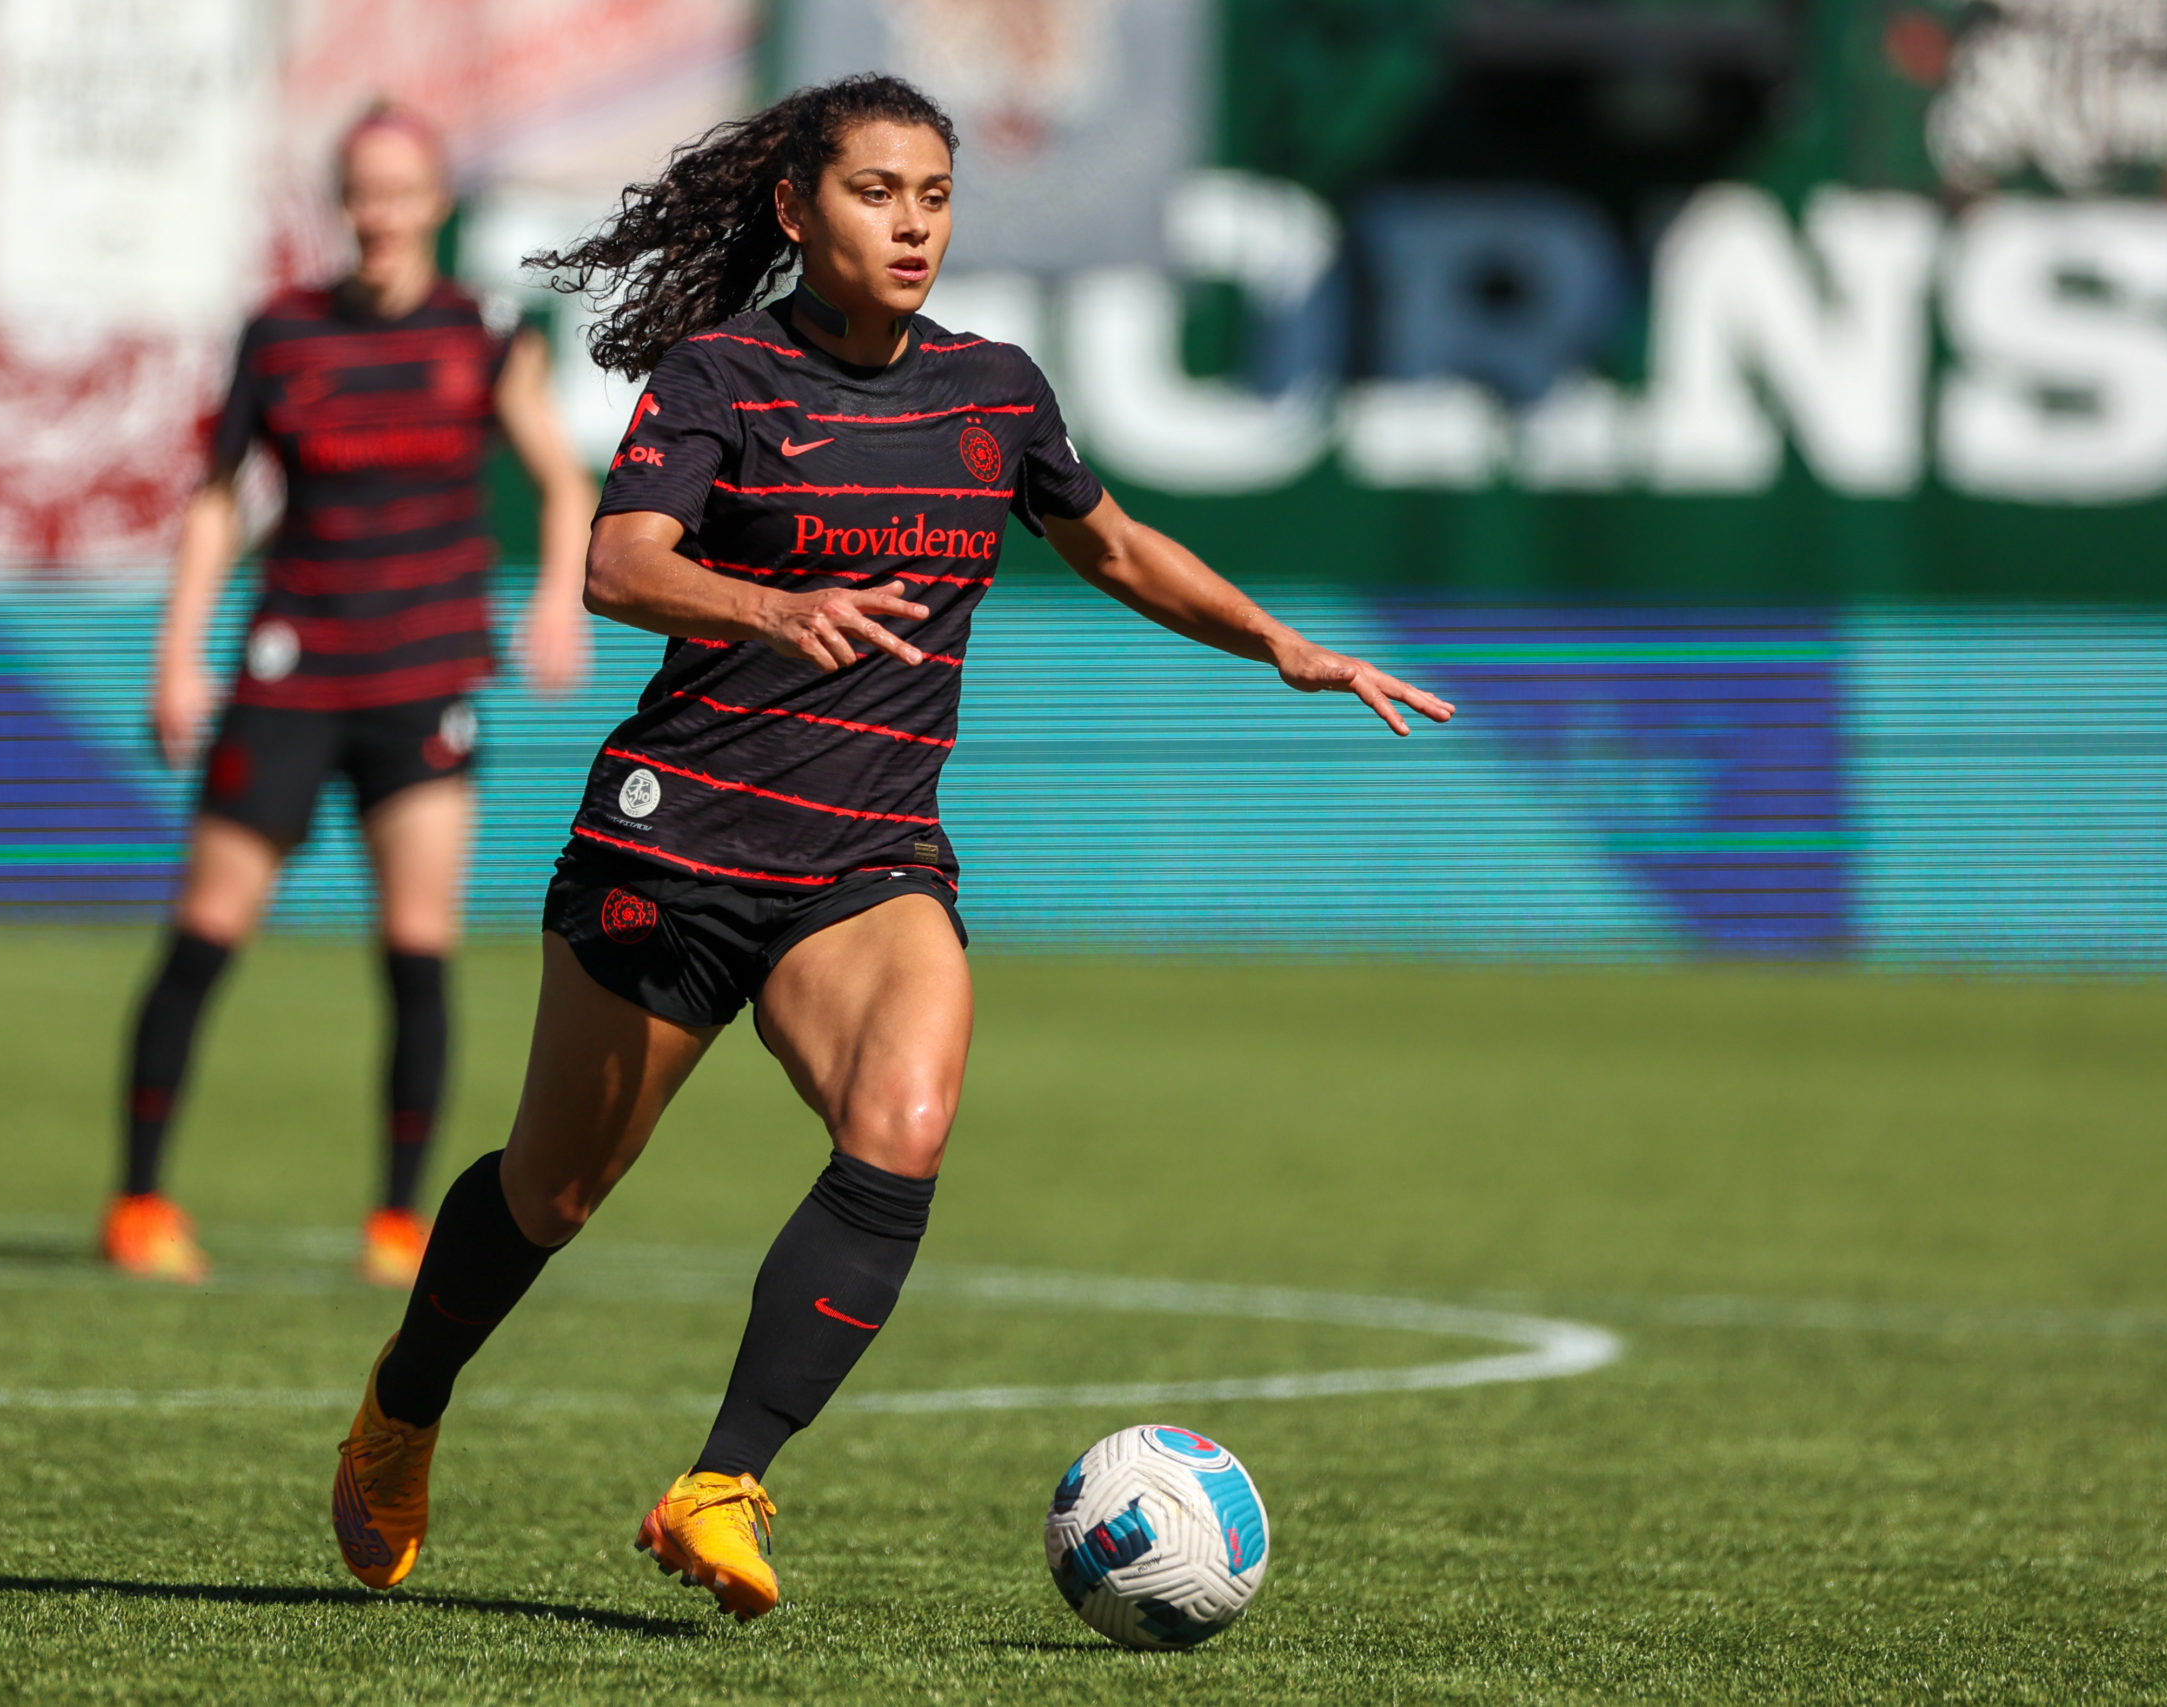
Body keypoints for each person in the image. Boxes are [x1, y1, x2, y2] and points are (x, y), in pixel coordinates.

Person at [326, 73, 1451, 1618]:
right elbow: (618, 561)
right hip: (678, 842)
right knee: (555, 1191)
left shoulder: (994, 393)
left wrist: (1280, 643)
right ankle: (405, 1399)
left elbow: (1111, 541)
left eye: (932, 194)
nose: (913, 222)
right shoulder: (723, 376)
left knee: (902, 1122)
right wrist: (774, 605)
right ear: (798, 208)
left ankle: (721, 1481)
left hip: (867, 861)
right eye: (876, 192)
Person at [100, 104, 593, 1288]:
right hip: (290, 670)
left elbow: (564, 483)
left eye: (401, 190)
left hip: (423, 676)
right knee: (206, 934)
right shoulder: (282, 334)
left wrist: (557, 603)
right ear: (343, 203)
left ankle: (393, 1224)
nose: (380, 213)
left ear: (434, 202)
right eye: (361, 191)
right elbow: (219, 497)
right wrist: (178, 649)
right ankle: (138, 1203)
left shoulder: (484, 335)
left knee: (416, 949)